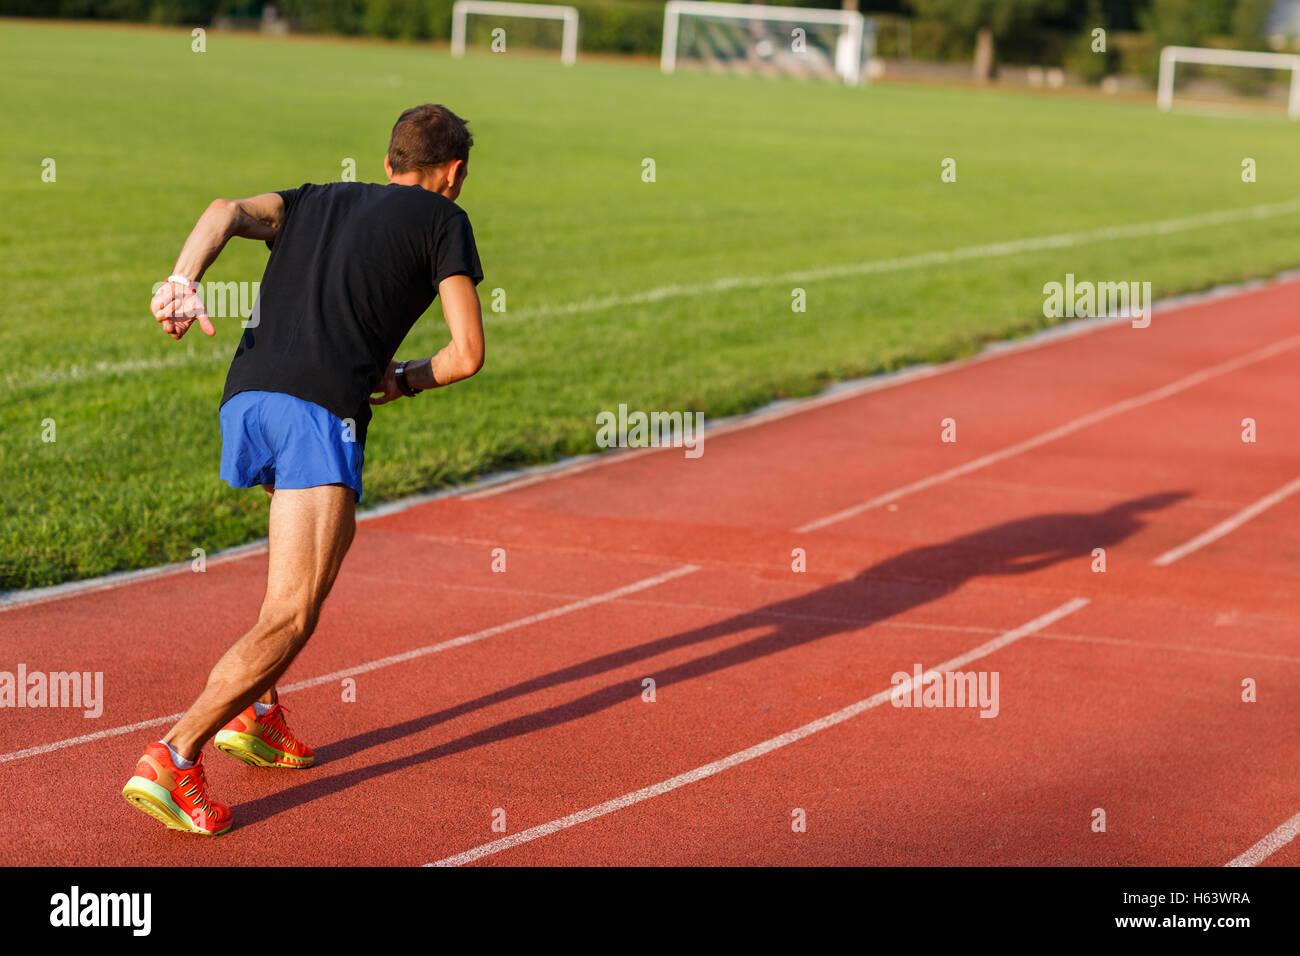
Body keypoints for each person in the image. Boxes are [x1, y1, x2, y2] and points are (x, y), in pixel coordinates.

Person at [122, 104, 485, 835]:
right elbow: (466, 353)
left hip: (247, 398)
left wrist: (184, 279)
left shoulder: (319, 196)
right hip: (318, 410)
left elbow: (224, 210)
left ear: (387, 164)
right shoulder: (446, 220)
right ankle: (175, 755)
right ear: (455, 174)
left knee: (325, 551)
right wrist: (405, 379)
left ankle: (258, 713)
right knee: (294, 612)